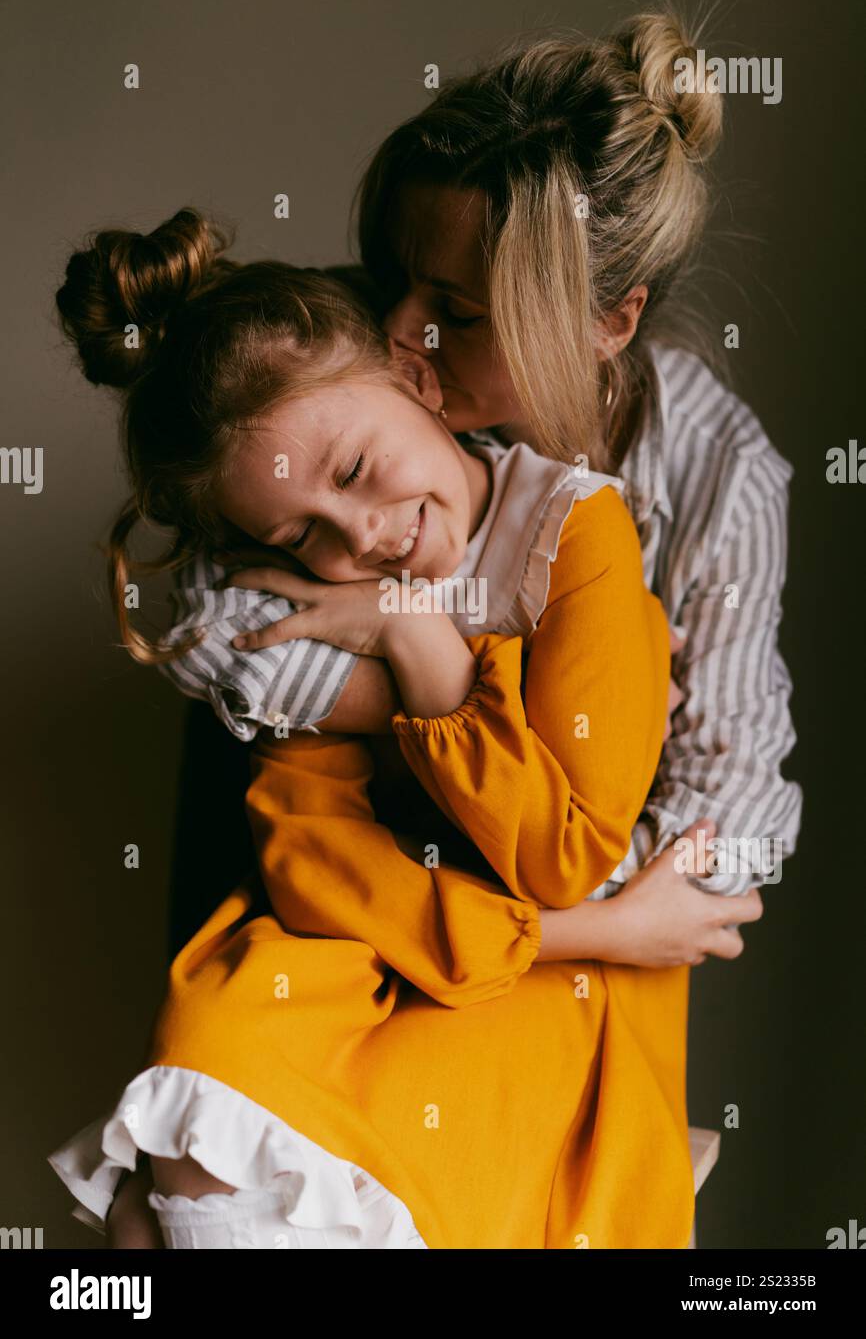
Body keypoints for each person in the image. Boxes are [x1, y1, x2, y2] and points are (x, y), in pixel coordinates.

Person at [47, 227, 758, 1249]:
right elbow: (310, 858)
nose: (358, 538)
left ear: (414, 377)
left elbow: (563, 855)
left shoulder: (574, 538)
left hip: (534, 986)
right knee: (203, 1090)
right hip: (378, 954)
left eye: (353, 466)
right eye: (298, 535)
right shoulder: (309, 608)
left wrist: (418, 647)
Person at [153, 10, 802, 902]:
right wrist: (462, 698)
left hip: (521, 958)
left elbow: (742, 822)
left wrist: (565, 924)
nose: (394, 329)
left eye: (456, 313)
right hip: (315, 913)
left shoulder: (720, 475)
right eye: (393, 275)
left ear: (608, 322)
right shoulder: (345, 356)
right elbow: (200, 627)